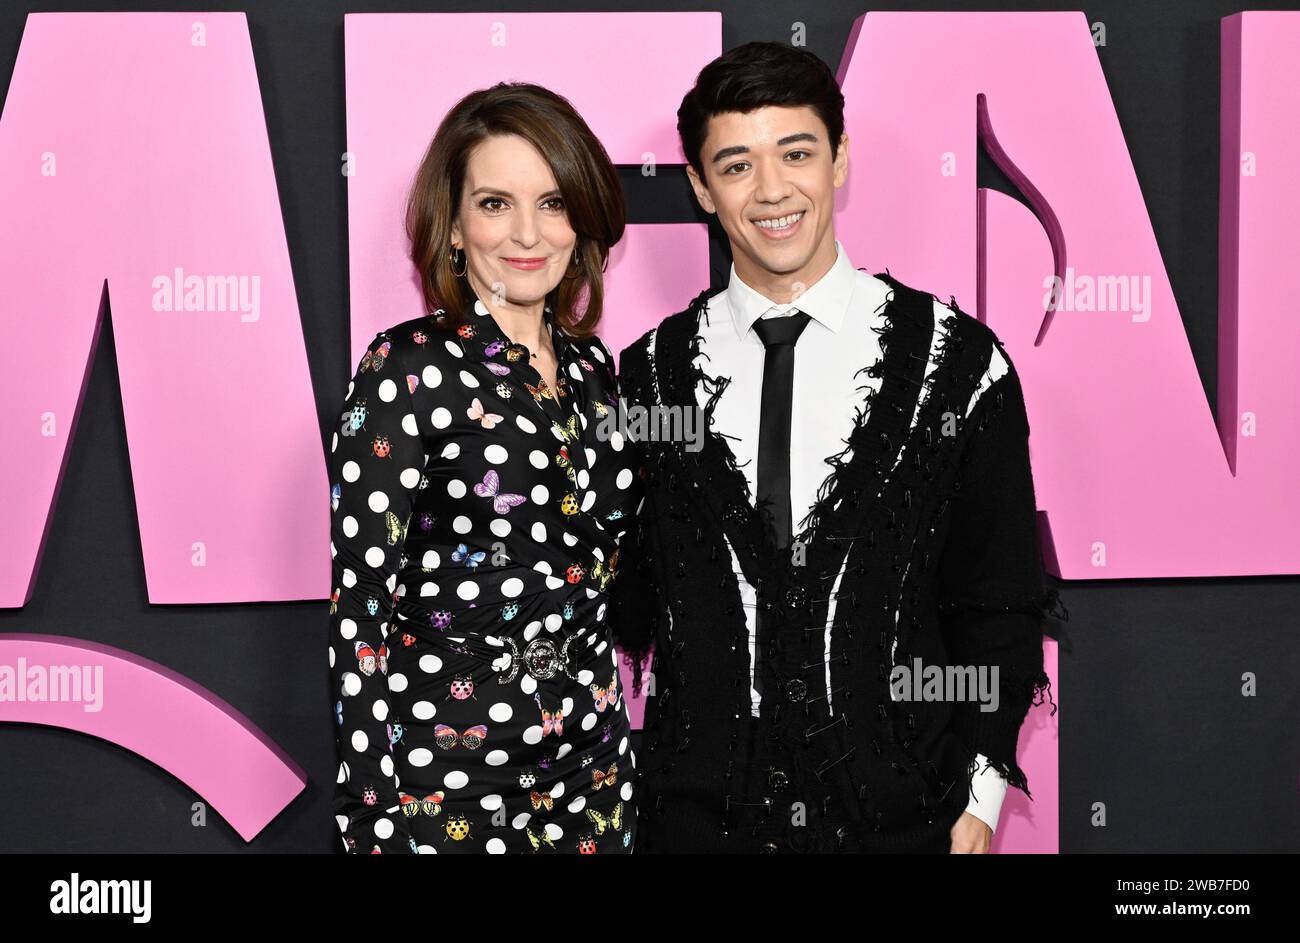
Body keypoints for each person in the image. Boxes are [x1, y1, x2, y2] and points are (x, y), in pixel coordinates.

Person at [609, 42, 1067, 854]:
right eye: (737, 164)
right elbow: (631, 596)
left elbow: (997, 597)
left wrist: (984, 793)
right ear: (702, 188)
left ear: (839, 159)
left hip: (905, 821)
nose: (773, 189)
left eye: (797, 153)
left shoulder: (957, 366)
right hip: (695, 823)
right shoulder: (646, 379)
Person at [328, 82, 639, 853]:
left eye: (554, 203)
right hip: (448, 790)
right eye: (496, 203)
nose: (527, 232)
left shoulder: (595, 368)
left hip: (592, 780)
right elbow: (359, 606)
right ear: (455, 227)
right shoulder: (406, 369)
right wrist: (373, 812)